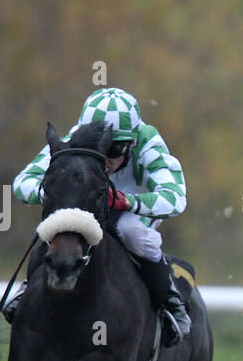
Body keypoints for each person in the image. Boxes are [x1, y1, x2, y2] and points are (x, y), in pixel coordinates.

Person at [10, 87, 191, 344]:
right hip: (89, 207)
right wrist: (55, 195)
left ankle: (170, 301)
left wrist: (128, 201)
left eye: (115, 149)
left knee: (132, 232)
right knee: (58, 224)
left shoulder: (148, 141)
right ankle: (28, 289)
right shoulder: (74, 138)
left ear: (131, 142)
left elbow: (176, 197)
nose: (105, 158)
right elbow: (23, 182)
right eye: (99, 146)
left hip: (133, 210)